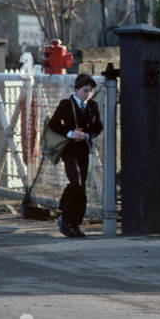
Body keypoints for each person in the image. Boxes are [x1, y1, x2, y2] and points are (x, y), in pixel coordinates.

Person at [46, 73, 103, 238]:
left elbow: (98, 126)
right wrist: (70, 133)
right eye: (85, 90)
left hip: (84, 150)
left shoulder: (92, 106)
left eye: (91, 91)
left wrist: (87, 135)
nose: (88, 94)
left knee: (81, 185)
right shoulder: (66, 104)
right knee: (75, 181)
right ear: (77, 89)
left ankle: (74, 222)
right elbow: (54, 124)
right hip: (69, 149)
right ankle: (65, 217)